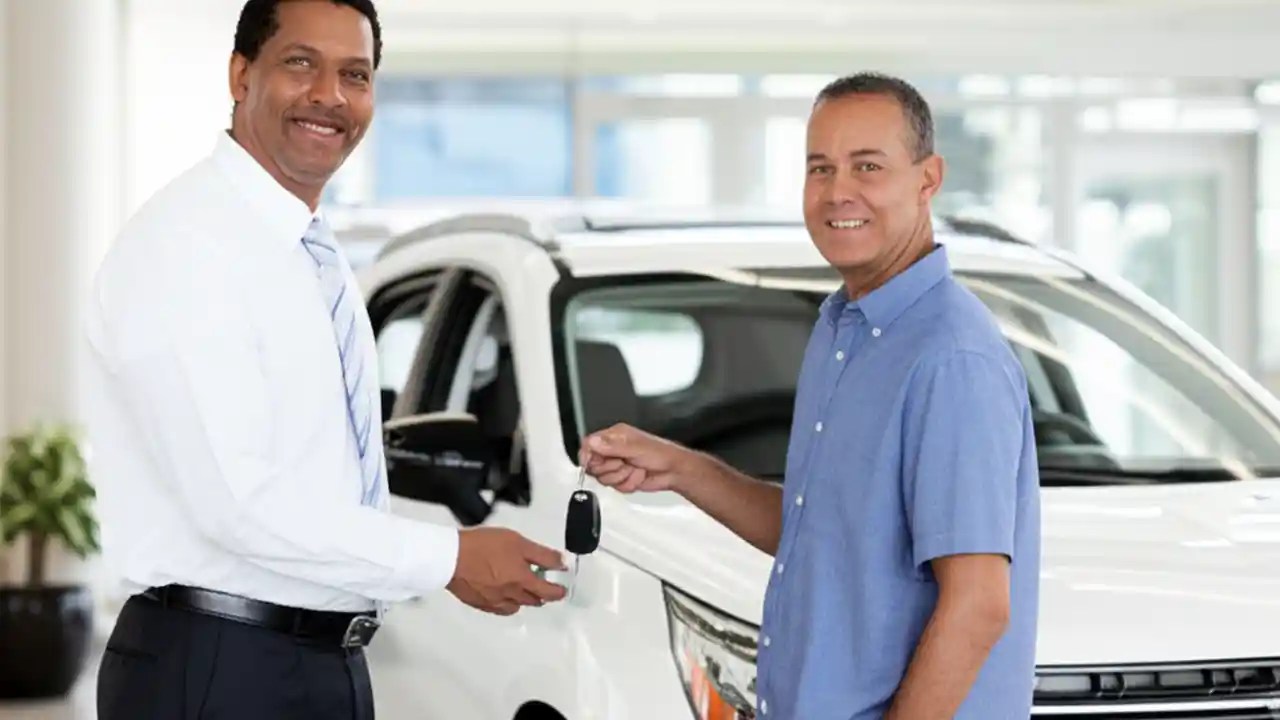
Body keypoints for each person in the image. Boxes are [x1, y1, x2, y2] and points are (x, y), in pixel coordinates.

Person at [83, 1, 567, 718]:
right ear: (240, 74)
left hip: (314, 658)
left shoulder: (312, 253)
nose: (330, 97)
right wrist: (450, 557)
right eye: (301, 64)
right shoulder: (187, 246)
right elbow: (238, 502)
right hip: (220, 667)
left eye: (356, 74)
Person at [580, 72, 1041, 719]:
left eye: (867, 166)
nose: (837, 192)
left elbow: (979, 603)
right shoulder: (844, 330)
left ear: (927, 179)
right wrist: (681, 468)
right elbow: (816, 529)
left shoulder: (951, 357)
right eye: (819, 168)